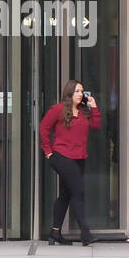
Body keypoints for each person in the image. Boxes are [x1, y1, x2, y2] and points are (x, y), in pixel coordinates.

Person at [39, 79, 101, 246]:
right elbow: (43, 128)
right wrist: (48, 152)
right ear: (69, 93)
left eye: (82, 91)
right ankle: (85, 233)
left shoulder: (84, 111)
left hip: (79, 157)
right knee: (78, 192)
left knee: (66, 195)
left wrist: (93, 106)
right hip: (61, 156)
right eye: (77, 91)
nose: (81, 94)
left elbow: (96, 124)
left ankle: (55, 232)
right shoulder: (57, 109)